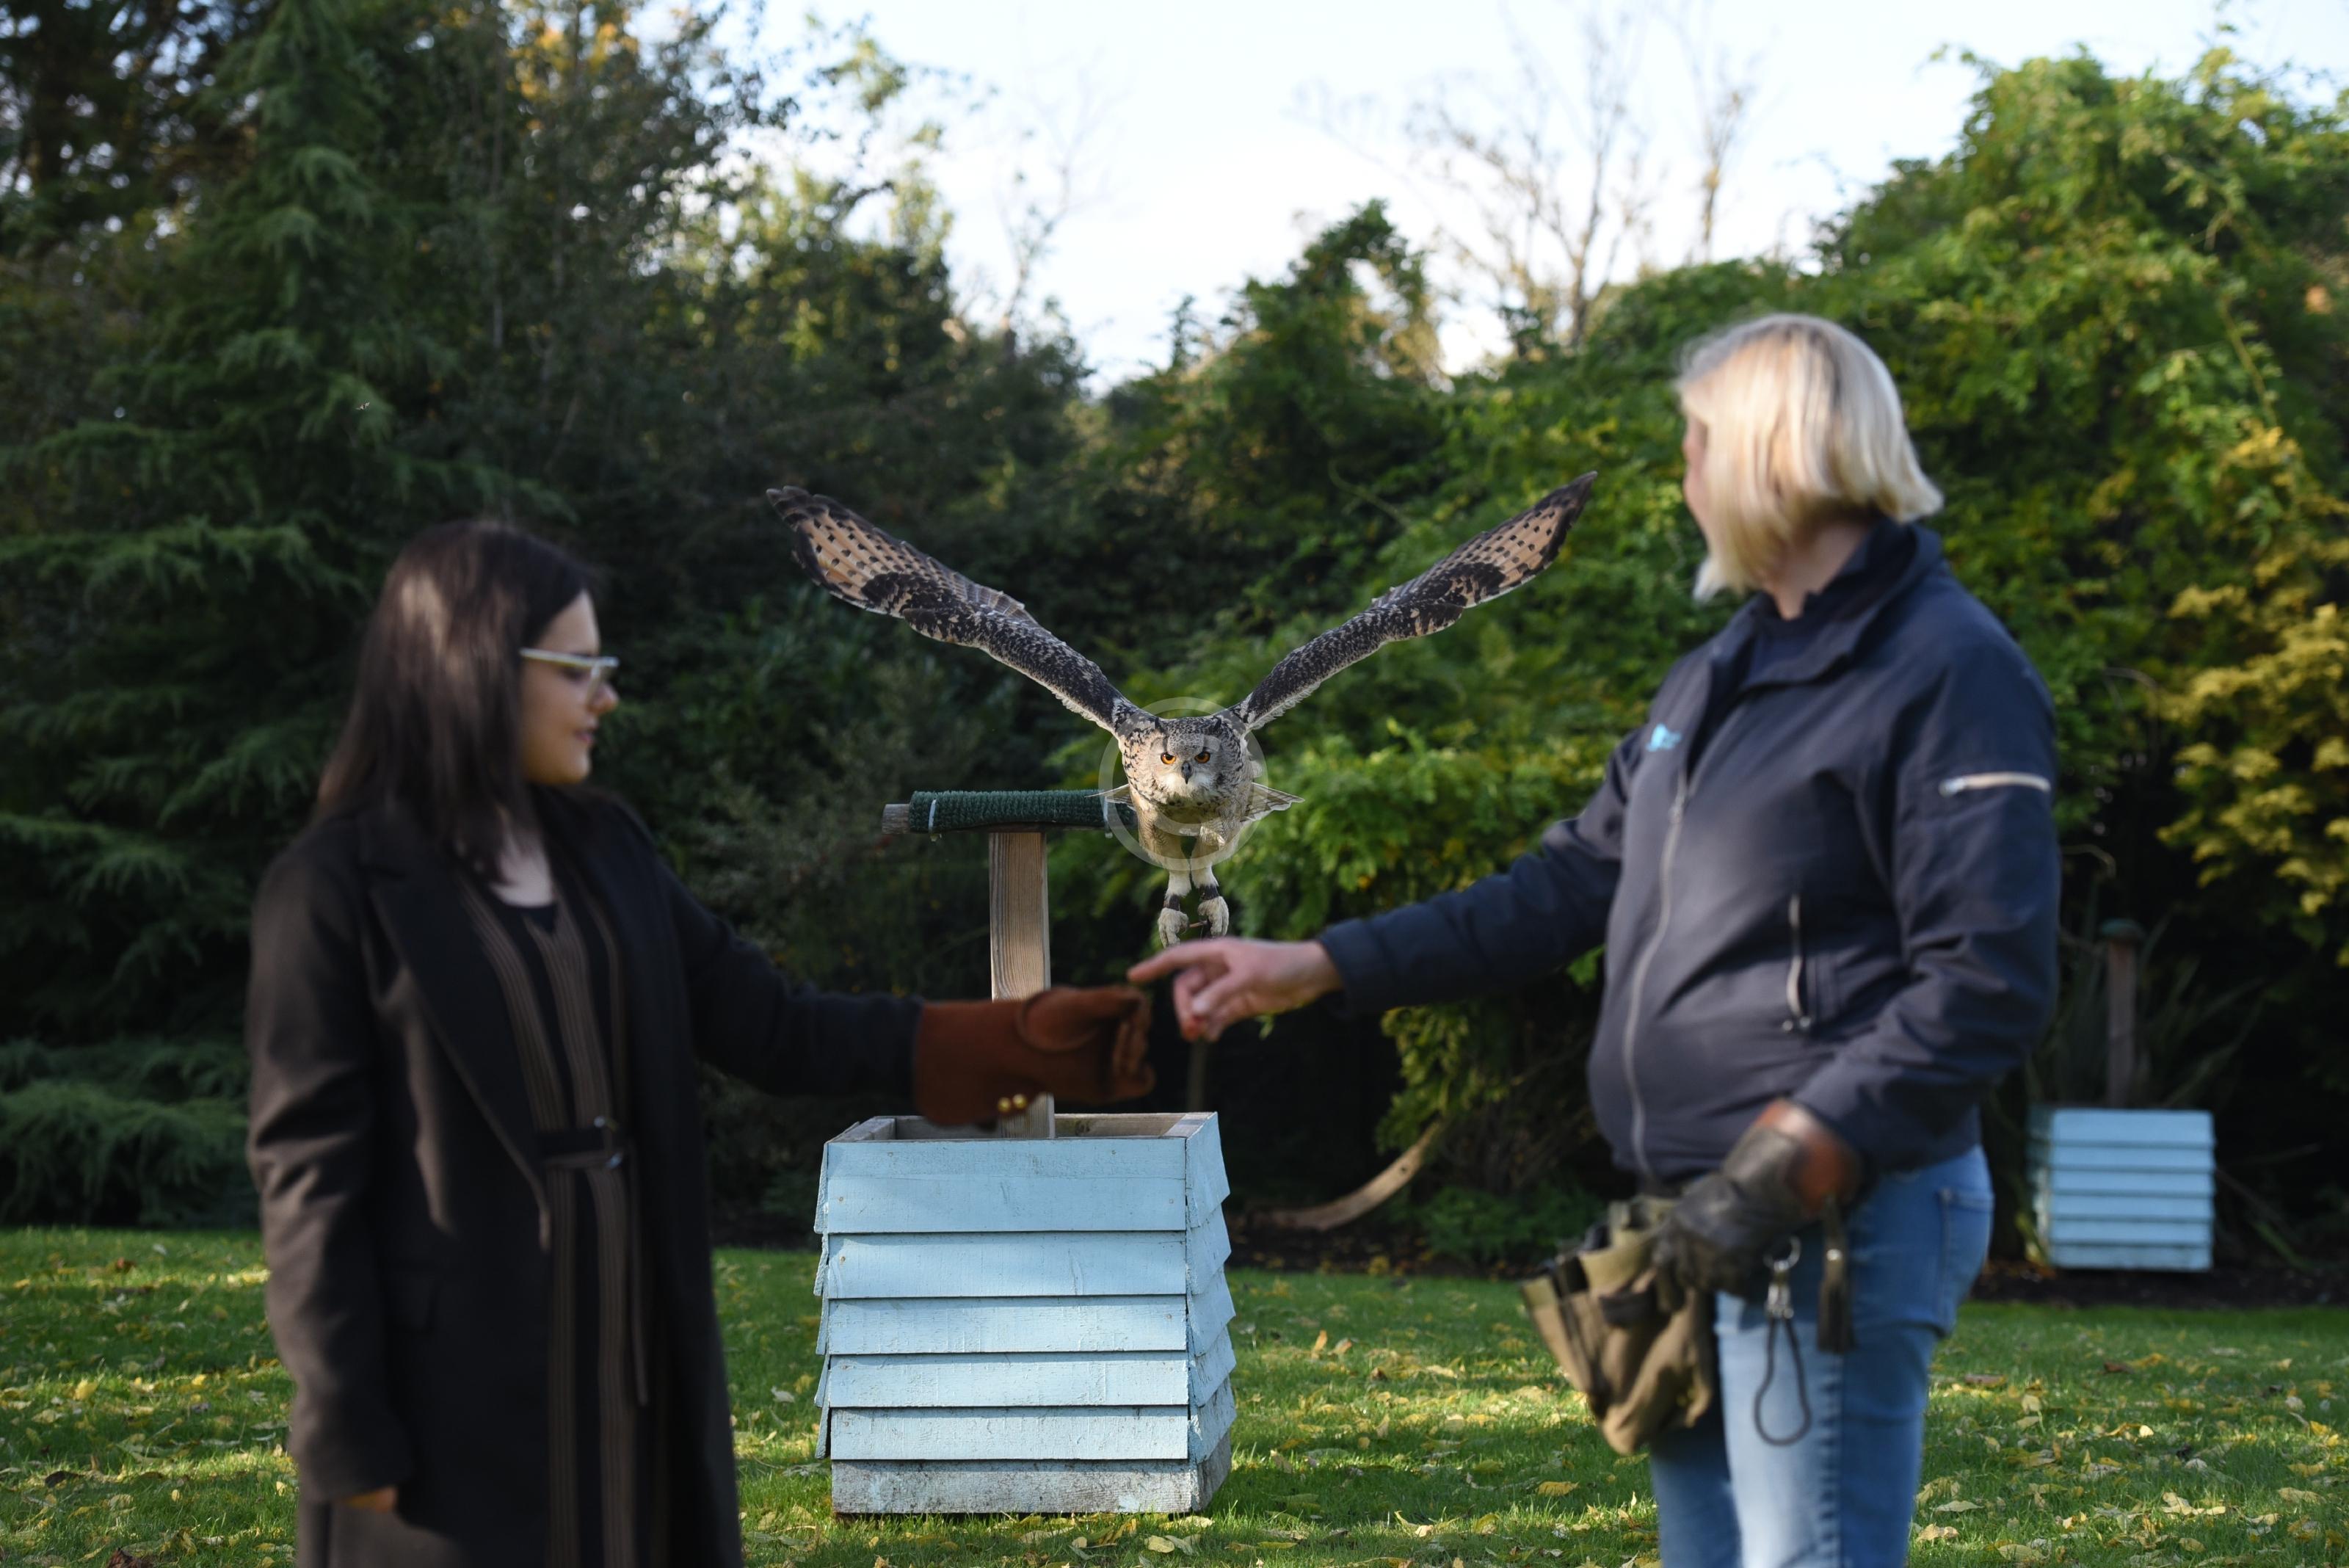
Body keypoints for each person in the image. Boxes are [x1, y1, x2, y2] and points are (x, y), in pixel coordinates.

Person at [1133, 313, 2059, 1567]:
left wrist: (1802, 1147)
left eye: (1695, 441)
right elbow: (1568, 885)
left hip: (1836, 1215)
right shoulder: (1719, 675)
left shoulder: (1946, 669)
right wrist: (1320, 965)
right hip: (1689, 1210)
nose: (1683, 474)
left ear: (1767, 453)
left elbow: (1985, 982)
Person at [246, 520, 1154, 1568]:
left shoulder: (607, 851)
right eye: (578, 668)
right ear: (471, 668)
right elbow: (311, 1187)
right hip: (443, 1391)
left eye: (607, 667)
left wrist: (1010, 1044)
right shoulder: (331, 892)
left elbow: (772, 1026)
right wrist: (345, 1423)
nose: (607, 697)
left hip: (630, 1348)